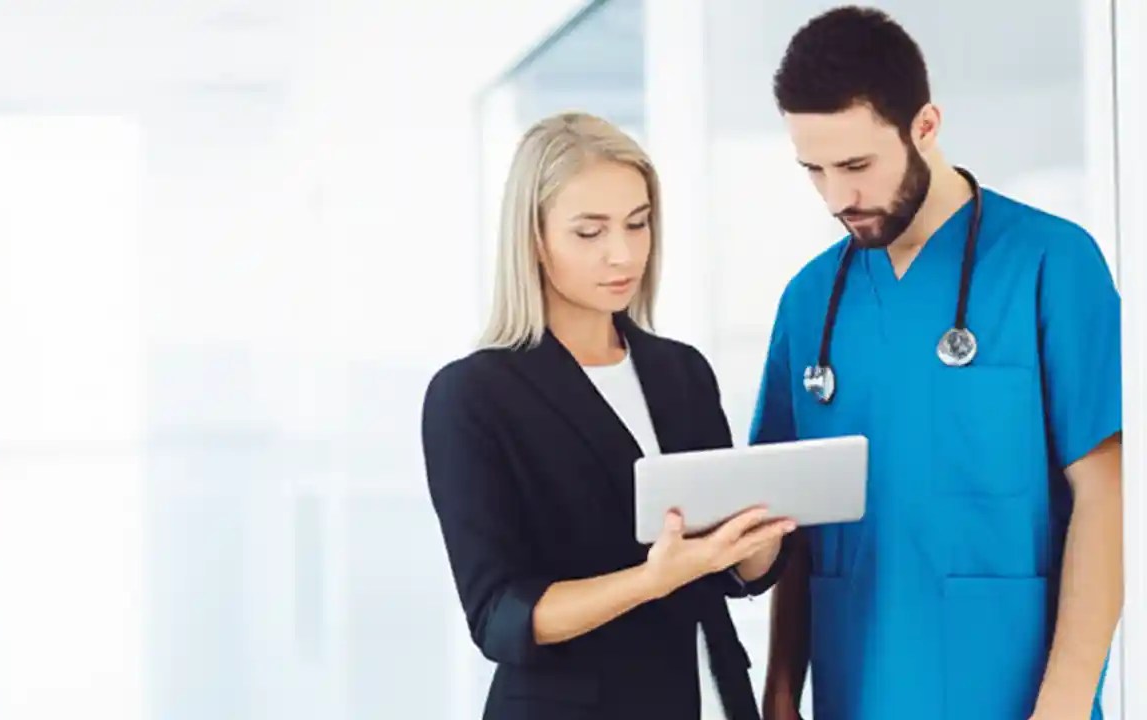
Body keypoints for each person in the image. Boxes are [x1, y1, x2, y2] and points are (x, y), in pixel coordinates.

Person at [754, 7, 1124, 720]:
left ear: (925, 125)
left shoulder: (1051, 263)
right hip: (853, 693)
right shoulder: (809, 302)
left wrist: (1067, 702)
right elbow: (785, 526)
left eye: (857, 166)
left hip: (1013, 696)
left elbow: (1109, 495)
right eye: (815, 171)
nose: (838, 199)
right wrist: (779, 694)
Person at [421, 112, 794, 720]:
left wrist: (757, 540)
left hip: (712, 696)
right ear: (534, 239)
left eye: (637, 224)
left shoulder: (682, 371)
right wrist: (653, 578)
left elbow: (731, 575)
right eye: (589, 233)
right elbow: (502, 616)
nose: (622, 254)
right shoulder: (472, 395)